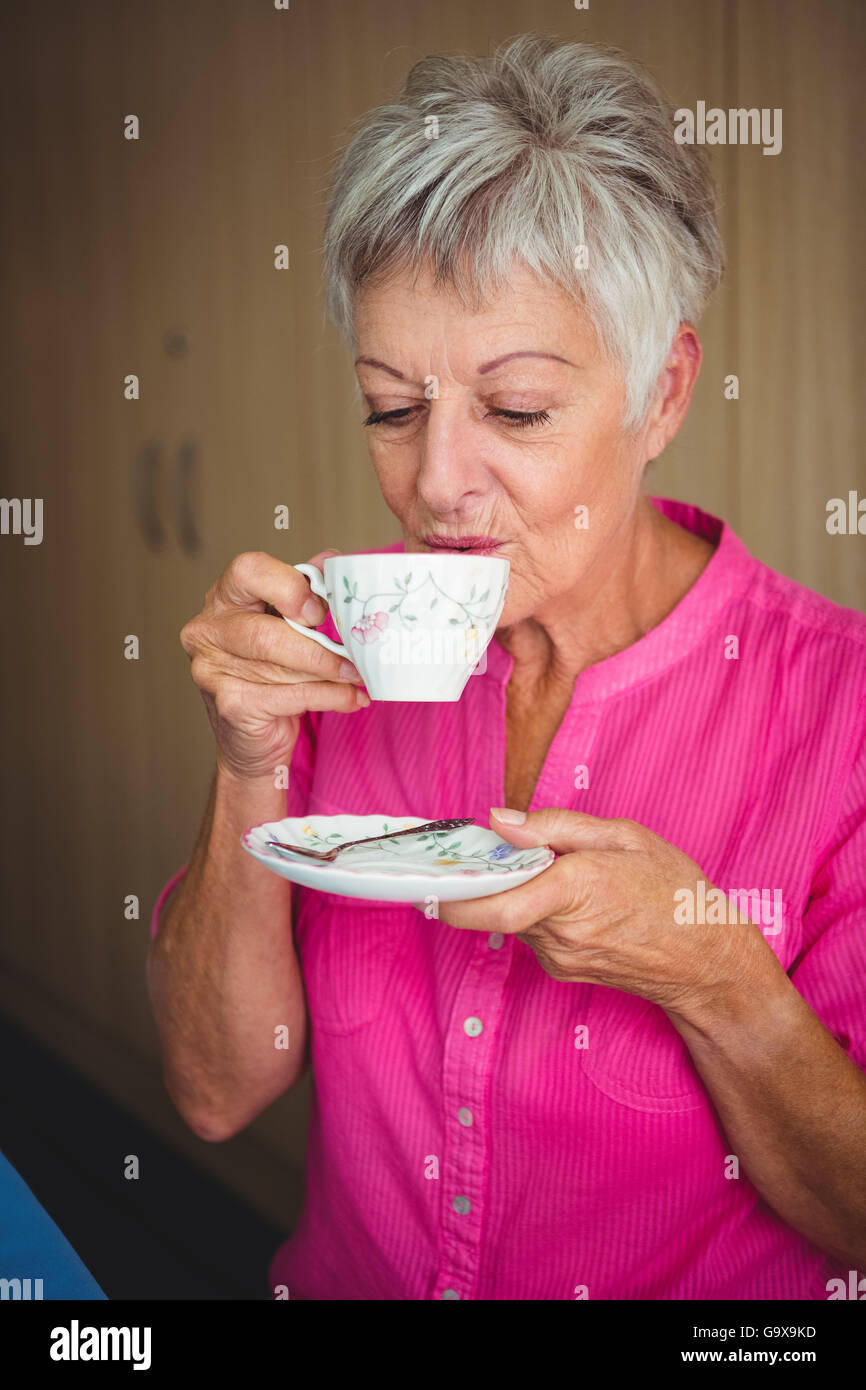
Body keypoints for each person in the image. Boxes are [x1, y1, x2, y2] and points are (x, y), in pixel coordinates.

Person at [147, 34, 866, 1299]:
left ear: (662, 392)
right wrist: (248, 764)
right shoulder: (338, 648)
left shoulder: (838, 709)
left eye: (516, 409)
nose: (432, 484)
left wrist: (713, 976)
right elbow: (215, 1090)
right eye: (390, 404)